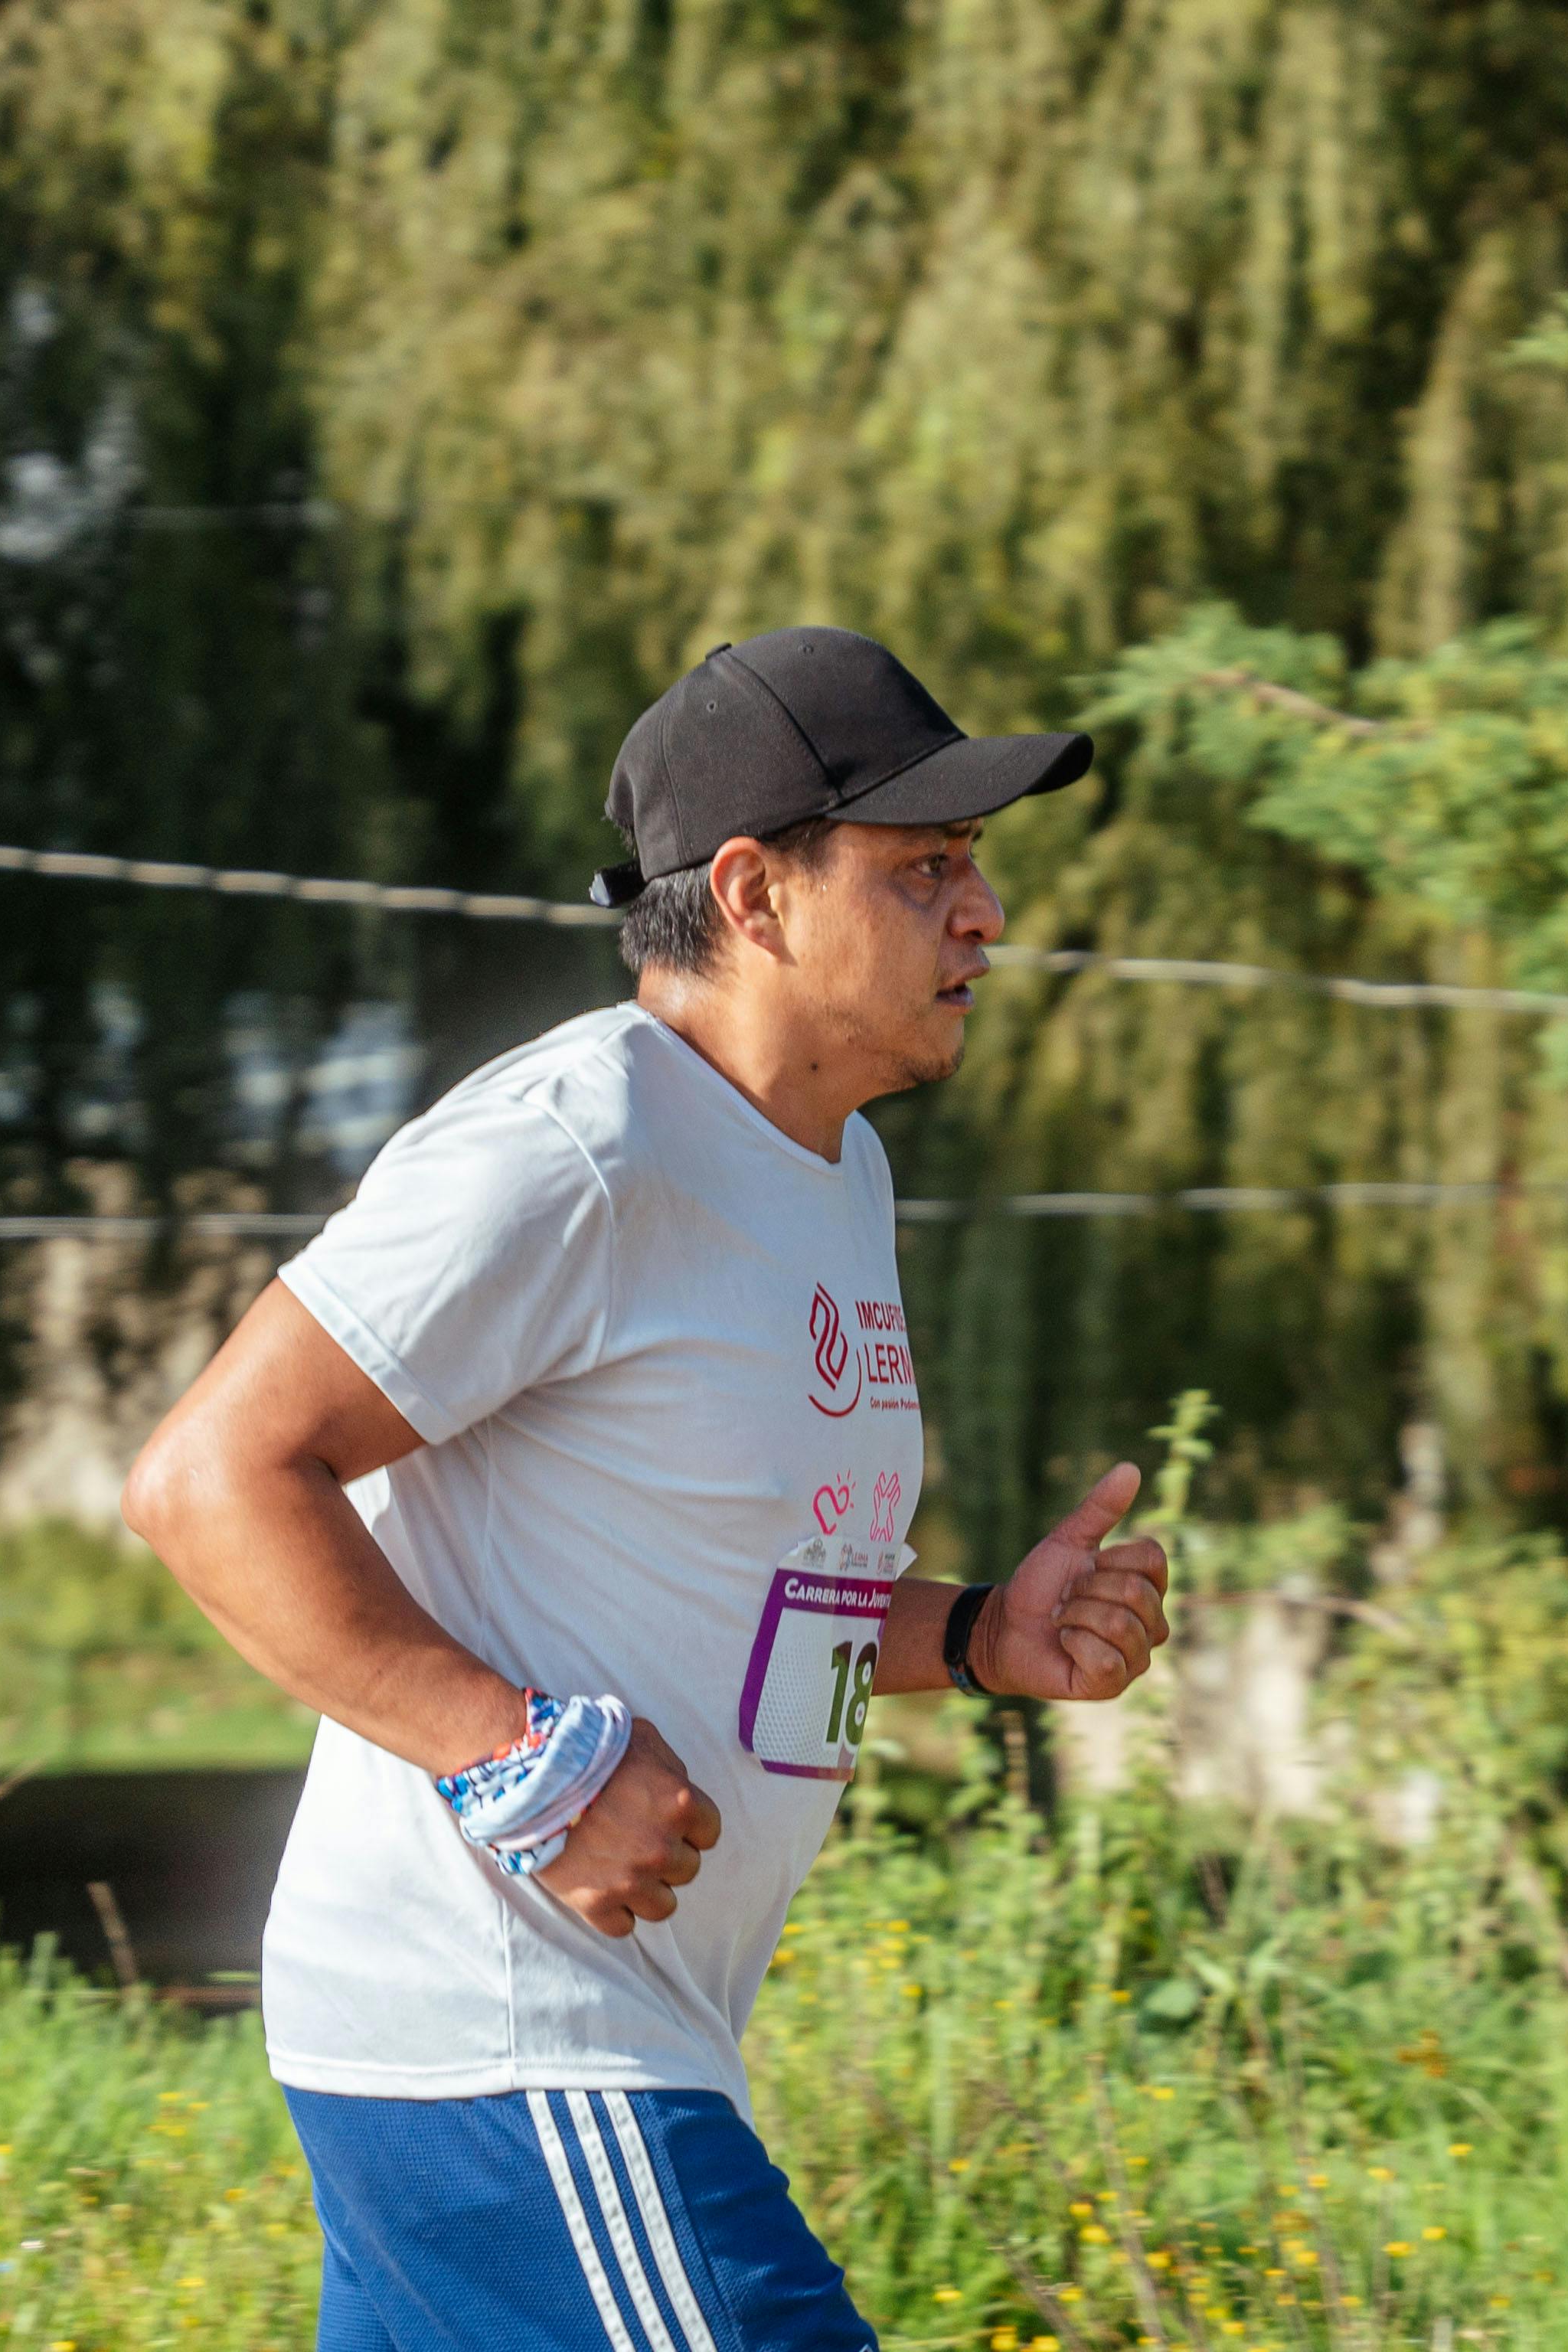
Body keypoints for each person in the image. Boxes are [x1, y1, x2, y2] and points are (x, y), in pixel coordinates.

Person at [122, 626, 1175, 2352]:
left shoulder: (834, 1174)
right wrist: (508, 1750)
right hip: (518, 2033)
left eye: (976, 871)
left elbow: (759, 1595)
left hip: (596, 2041)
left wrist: (981, 1637)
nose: (985, 915)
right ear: (754, 893)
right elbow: (210, 1477)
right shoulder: (576, 1144)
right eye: (928, 870)